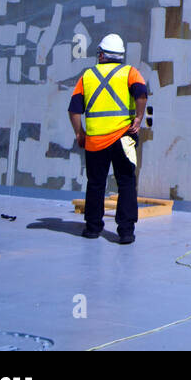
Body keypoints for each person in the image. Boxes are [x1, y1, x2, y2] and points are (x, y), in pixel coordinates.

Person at [69, 33, 148, 243]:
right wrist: (138, 119)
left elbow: (74, 109)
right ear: (121, 55)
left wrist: (80, 133)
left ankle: (93, 228)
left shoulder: (87, 76)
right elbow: (142, 94)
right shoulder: (130, 73)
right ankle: (126, 232)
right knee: (126, 182)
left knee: (96, 183)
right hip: (124, 138)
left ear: (101, 54)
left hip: (95, 142)